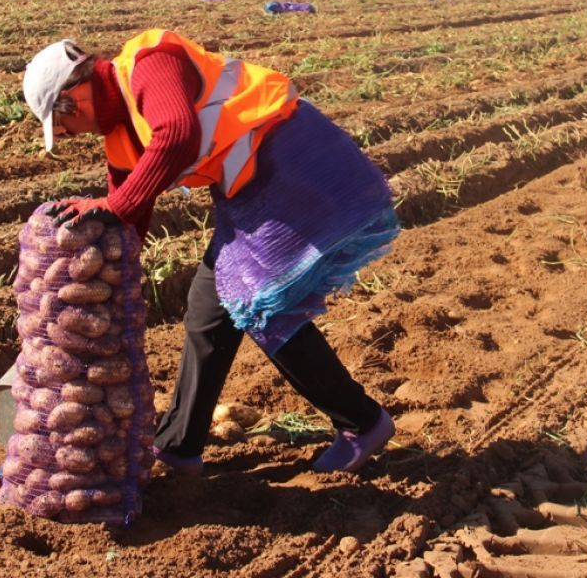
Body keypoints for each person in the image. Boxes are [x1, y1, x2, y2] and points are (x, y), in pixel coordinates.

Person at [21, 31, 400, 476]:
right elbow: (127, 214)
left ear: (74, 99)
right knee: (208, 307)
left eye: (63, 127)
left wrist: (116, 206)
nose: (68, 135)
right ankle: (180, 447)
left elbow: (177, 134)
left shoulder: (149, 62)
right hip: (252, 189)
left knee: (261, 306)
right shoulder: (121, 135)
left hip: (296, 162)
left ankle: (363, 422)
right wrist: (99, 282)